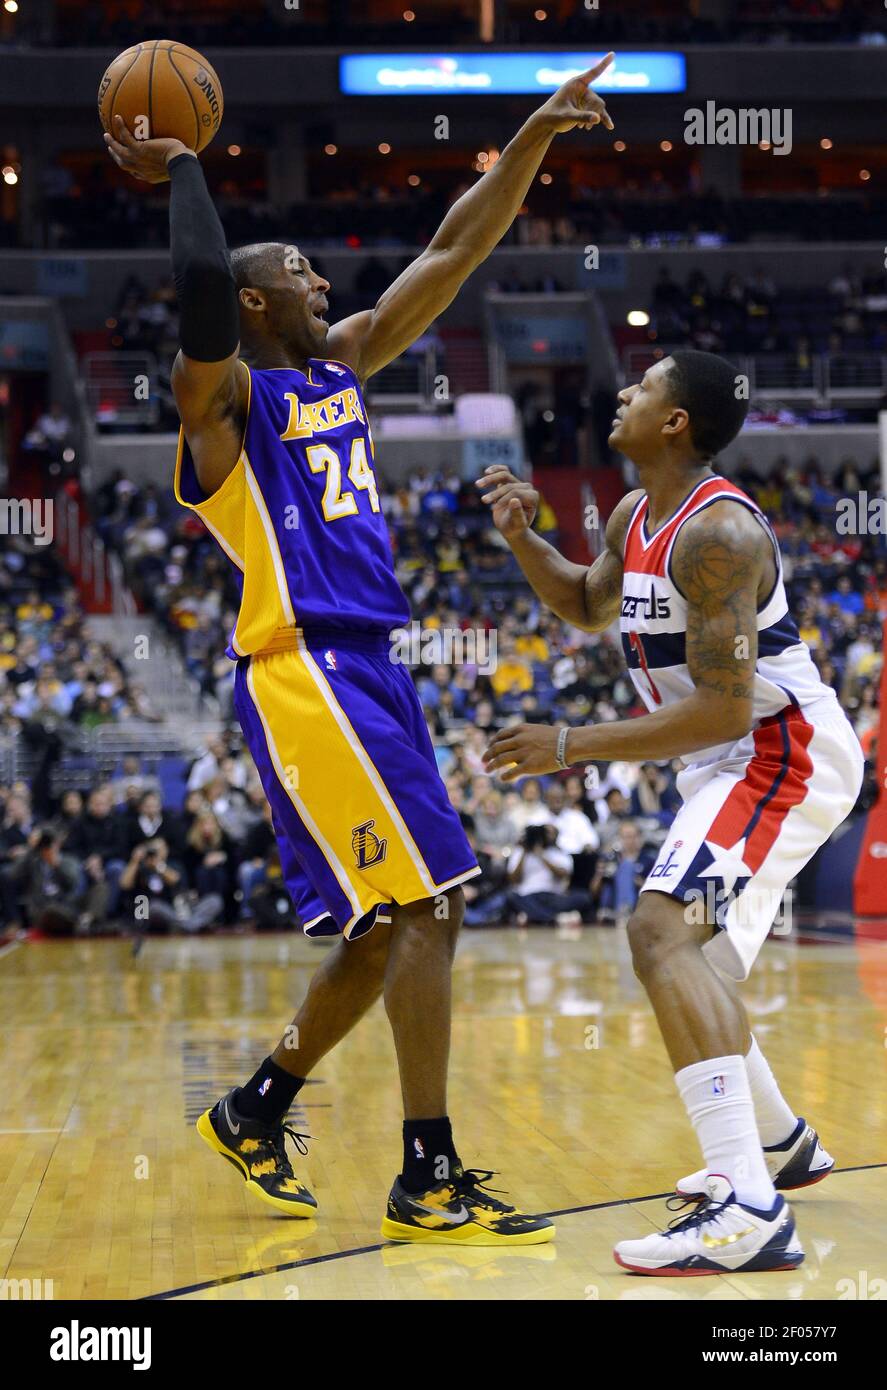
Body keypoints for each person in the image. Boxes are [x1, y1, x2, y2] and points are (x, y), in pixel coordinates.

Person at [102, 51, 617, 1246]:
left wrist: (532, 134)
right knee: (434, 906)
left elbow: (448, 252)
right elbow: (191, 286)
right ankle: (426, 1173)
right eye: (297, 269)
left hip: (360, 668)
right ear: (251, 308)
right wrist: (185, 163)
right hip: (311, 665)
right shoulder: (225, 410)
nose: (321, 274)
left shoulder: (337, 367)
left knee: (386, 927)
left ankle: (254, 1104)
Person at [478, 348, 863, 1275]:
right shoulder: (631, 513)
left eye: (643, 387)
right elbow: (581, 602)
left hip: (779, 755)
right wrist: (525, 538)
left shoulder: (716, 533)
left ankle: (747, 1207)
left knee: (660, 934)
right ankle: (783, 1147)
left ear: (676, 421)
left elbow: (727, 707)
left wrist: (568, 744)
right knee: (698, 969)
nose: (621, 392)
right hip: (723, 759)